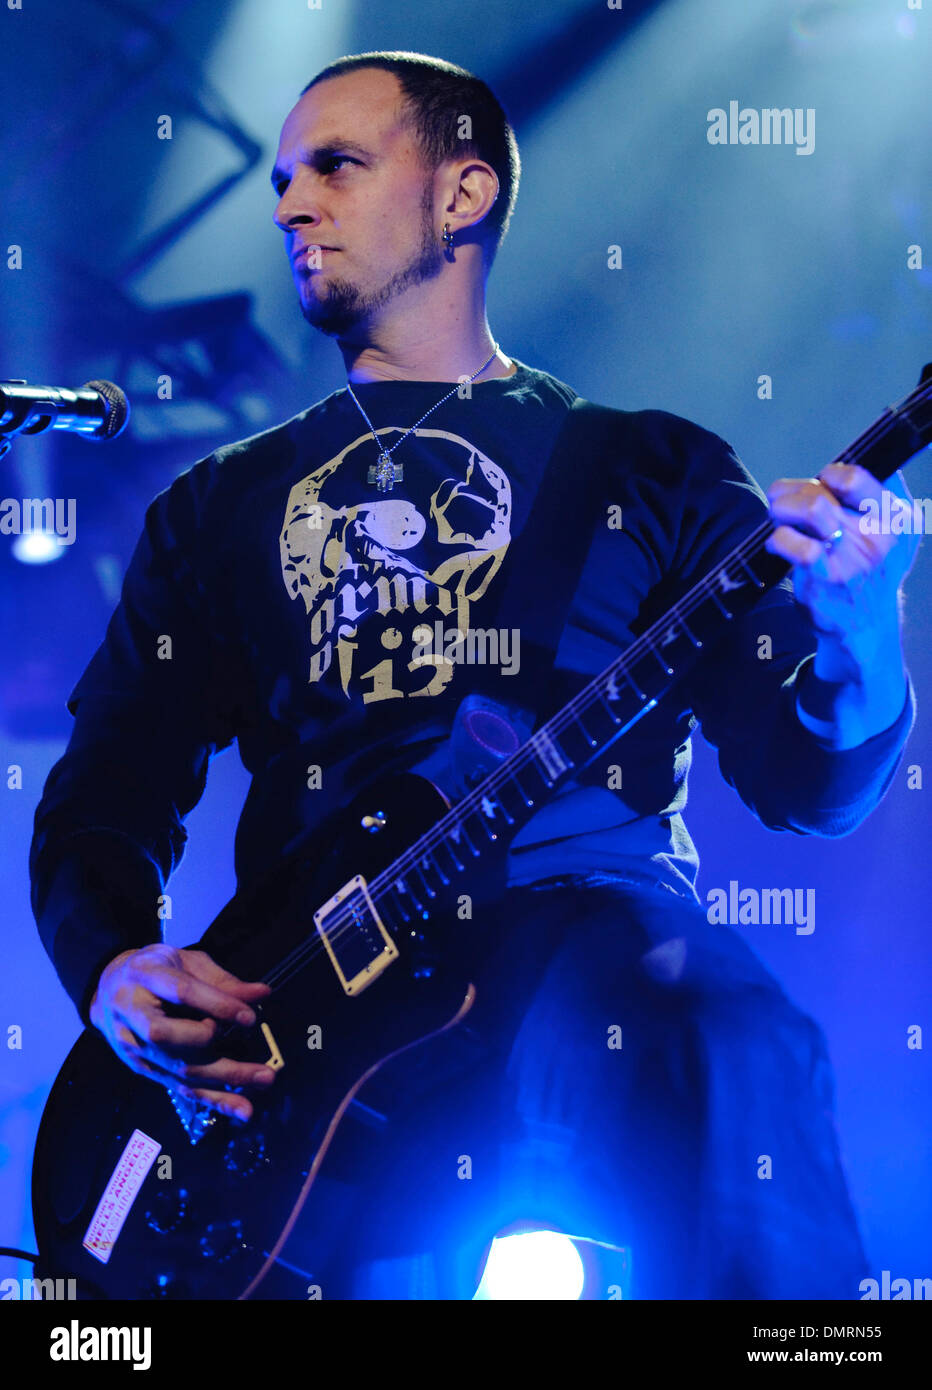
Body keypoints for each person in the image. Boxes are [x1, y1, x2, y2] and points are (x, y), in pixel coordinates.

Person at [31, 52, 918, 1299]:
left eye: (335, 165)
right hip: (308, 1000)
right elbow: (105, 795)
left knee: (732, 1040)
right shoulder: (216, 507)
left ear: (462, 194)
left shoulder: (647, 469)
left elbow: (806, 781)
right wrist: (115, 965)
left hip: (575, 926)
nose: (289, 203)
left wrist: (860, 633)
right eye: (281, 177)